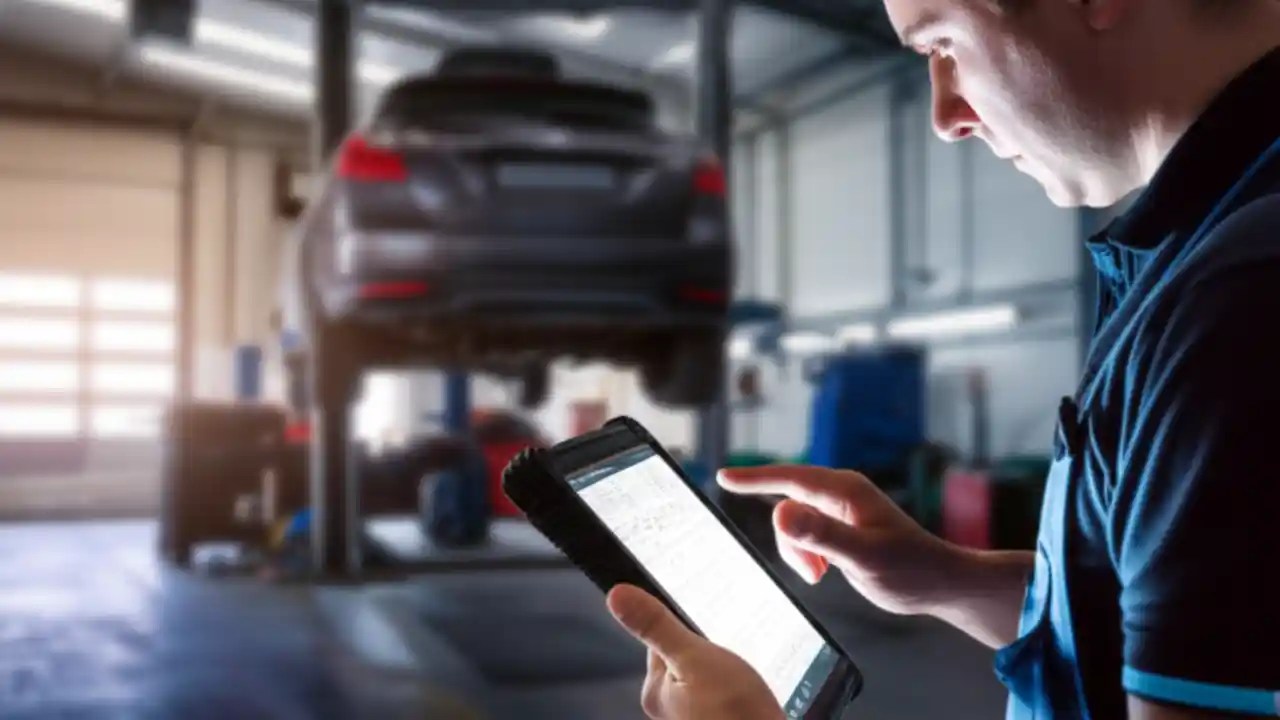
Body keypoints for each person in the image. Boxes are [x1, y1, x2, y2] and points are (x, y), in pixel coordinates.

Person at [605, 0, 1280, 718]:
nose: (947, 115)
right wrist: (944, 580)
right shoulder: (1202, 252)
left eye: (943, 46)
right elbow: (1163, 625)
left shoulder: (1244, 298)